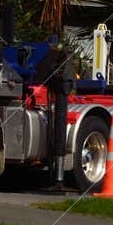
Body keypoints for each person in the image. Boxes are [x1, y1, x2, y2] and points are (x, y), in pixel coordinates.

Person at [35, 32, 75, 192]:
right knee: (56, 124)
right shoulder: (57, 57)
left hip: (61, 88)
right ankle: (56, 175)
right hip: (58, 85)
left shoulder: (61, 58)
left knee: (59, 124)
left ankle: (59, 177)